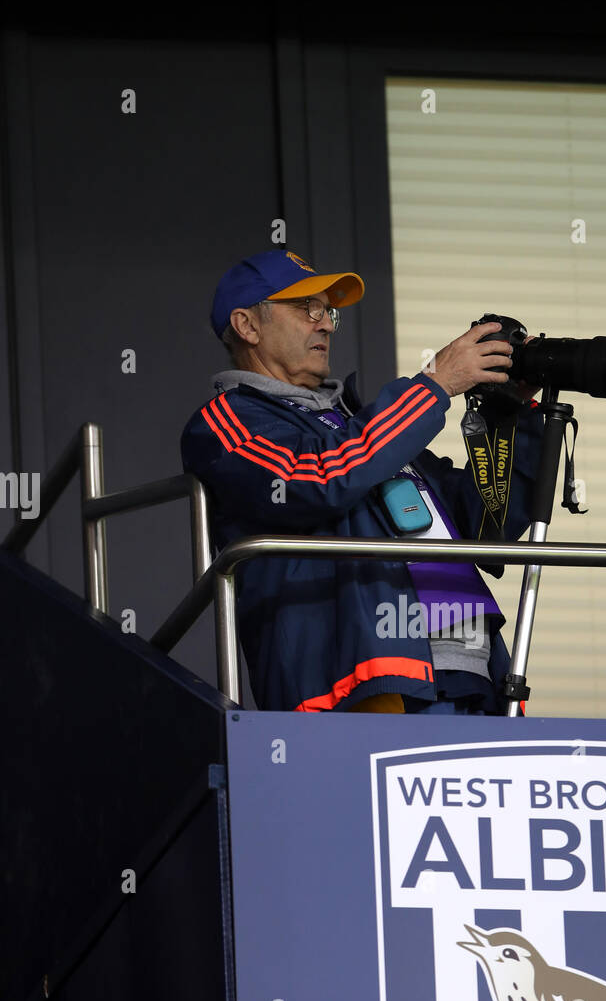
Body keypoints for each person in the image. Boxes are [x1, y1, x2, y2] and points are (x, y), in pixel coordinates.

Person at [180, 248, 546, 714]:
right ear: (248, 326)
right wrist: (435, 383)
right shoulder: (227, 419)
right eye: (307, 308)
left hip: (469, 674)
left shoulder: (358, 424)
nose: (327, 324)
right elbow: (316, 477)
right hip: (364, 679)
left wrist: (511, 415)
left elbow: (486, 522)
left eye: (328, 311)